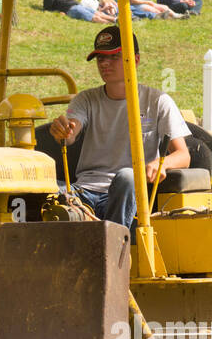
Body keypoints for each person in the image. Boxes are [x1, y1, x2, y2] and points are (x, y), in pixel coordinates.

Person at [47, 26, 191, 228]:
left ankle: (116, 247)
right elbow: (71, 131)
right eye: (100, 58)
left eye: (114, 57)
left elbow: (183, 155)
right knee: (43, 191)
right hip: (82, 194)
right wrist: (64, 131)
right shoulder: (85, 99)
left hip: (125, 195)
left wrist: (161, 164)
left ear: (136, 60)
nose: (104, 63)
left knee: (127, 176)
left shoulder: (158, 101)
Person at [43, 0, 115, 24]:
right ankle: (111, 24)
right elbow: (47, 8)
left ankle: (115, 20)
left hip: (78, 6)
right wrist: (59, 12)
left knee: (98, 13)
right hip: (71, 9)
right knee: (95, 17)